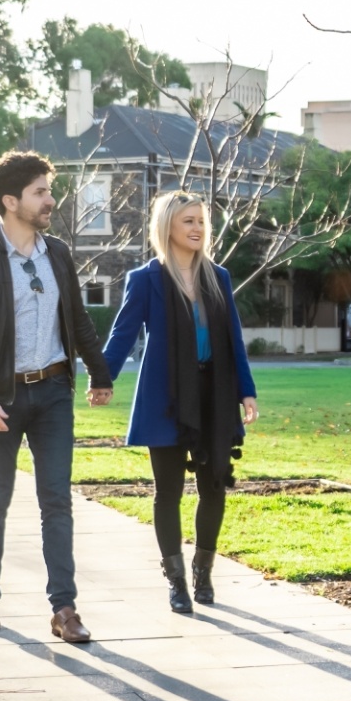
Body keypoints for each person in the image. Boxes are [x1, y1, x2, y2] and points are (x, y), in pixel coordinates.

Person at [0, 152, 115, 643]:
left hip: (54, 394)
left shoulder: (59, 254)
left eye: (48, 190)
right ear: (10, 201)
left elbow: (79, 320)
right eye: (41, 191)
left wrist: (99, 372)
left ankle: (64, 610)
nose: (50, 199)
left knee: (56, 501)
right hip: (1, 399)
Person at [101, 191, 259, 614]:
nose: (197, 228)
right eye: (188, 220)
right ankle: (176, 583)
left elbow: (233, 340)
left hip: (215, 393)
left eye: (201, 221)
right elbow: (123, 333)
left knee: (213, 488)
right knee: (167, 492)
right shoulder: (146, 278)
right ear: (167, 225)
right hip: (165, 397)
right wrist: (103, 378)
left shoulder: (218, 277)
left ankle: (204, 572)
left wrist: (247, 390)